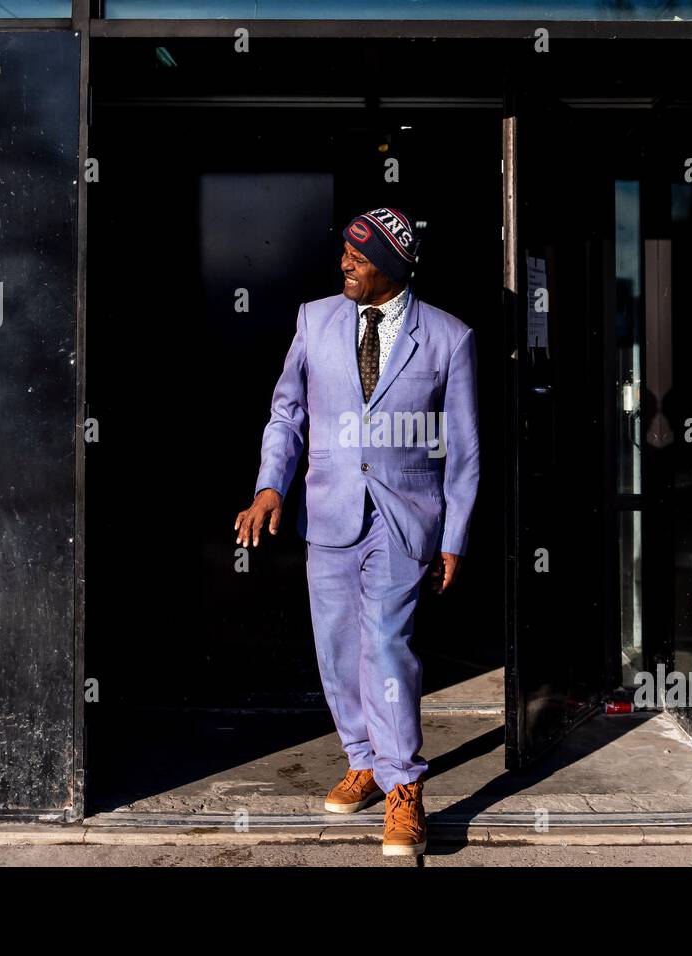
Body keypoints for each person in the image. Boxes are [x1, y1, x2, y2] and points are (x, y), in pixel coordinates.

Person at [234, 207, 480, 856]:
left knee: (386, 649)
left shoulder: (449, 339)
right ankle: (363, 760)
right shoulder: (314, 321)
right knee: (339, 651)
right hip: (330, 515)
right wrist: (268, 487)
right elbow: (286, 414)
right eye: (345, 249)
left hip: (404, 522)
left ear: (393, 268)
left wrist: (453, 537)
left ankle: (405, 787)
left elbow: (465, 451)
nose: (345, 262)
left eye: (359, 255)